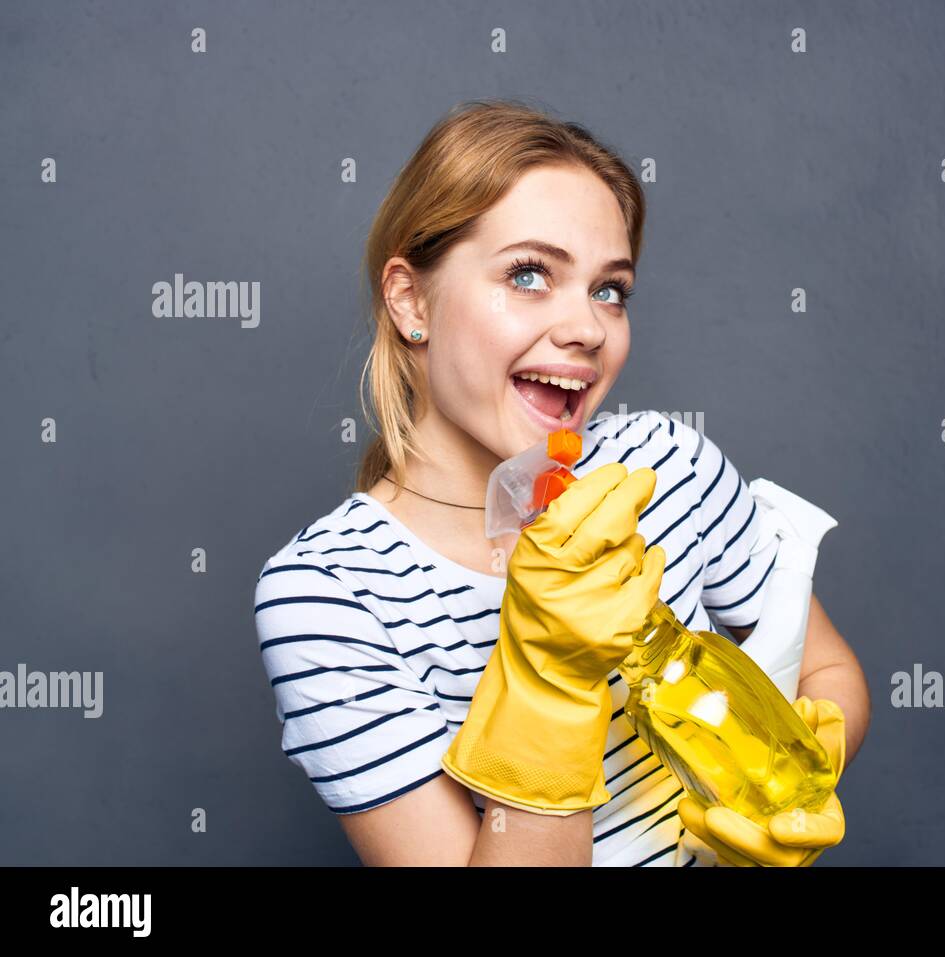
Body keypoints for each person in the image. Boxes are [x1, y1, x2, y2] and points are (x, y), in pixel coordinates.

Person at [253, 98, 870, 866]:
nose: (587, 327)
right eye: (528, 274)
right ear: (411, 299)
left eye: (609, 289)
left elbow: (826, 667)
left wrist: (794, 775)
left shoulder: (663, 465)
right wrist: (547, 679)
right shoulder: (328, 595)